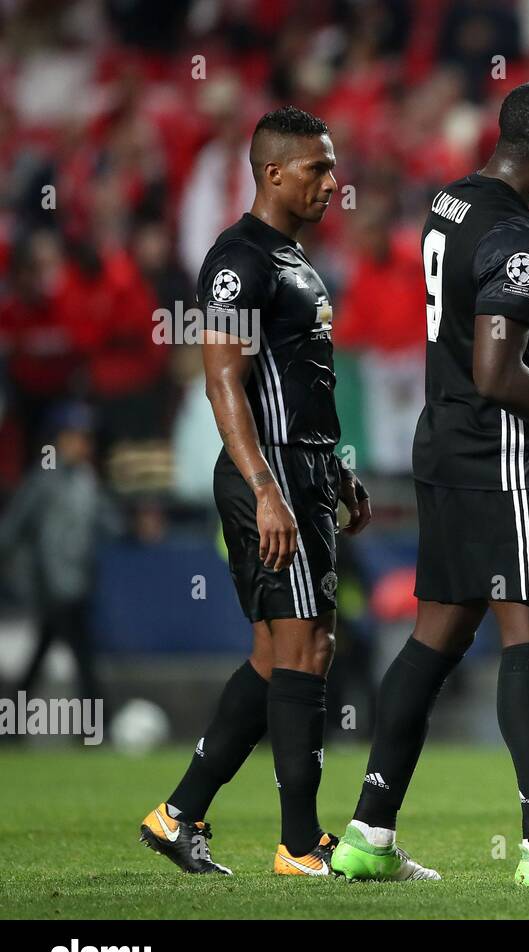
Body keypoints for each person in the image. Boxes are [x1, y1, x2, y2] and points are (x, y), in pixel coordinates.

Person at [330, 81, 529, 887]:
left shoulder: (448, 204)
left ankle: (368, 833)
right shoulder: (520, 237)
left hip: (442, 449)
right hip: (506, 457)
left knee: (434, 638)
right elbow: (496, 370)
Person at [139, 107, 372, 876]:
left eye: (333, 167)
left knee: (279, 654)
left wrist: (335, 468)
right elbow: (223, 381)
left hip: (302, 470)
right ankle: (301, 843)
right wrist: (267, 487)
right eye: (318, 168)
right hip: (264, 473)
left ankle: (178, 813)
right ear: (273, 172)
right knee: (307, 643)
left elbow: (302, 384)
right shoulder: (238, 259)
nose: (333, 183)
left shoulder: (296, 261)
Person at [0, 403, 117, 729]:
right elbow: (11, 532)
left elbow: (109, 524)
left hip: (77, 585)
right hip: (51, 586)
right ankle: (97, 728)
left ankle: (10, 726)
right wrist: (22, 575)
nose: (84, 445)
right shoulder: (42, 482)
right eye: (76, 437)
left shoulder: (86, 481)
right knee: (83, 658)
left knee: (42, 658)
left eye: (86, 438)